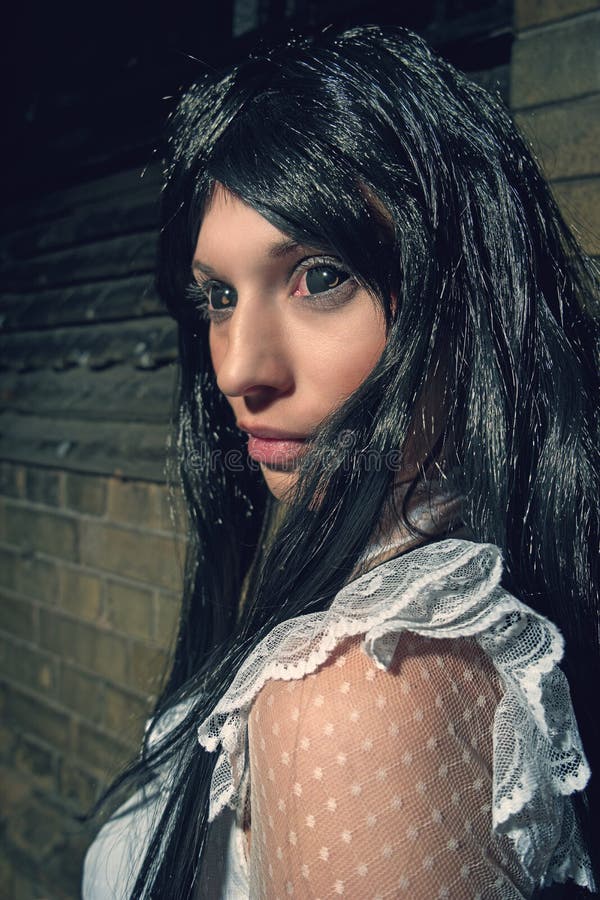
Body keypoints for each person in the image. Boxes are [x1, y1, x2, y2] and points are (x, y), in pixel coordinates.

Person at [83, 24, 599, 899]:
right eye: (217, 295)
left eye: (319, 276)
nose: (239, 368)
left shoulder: (359, 694)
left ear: (466, 288)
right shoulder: (472, 577)